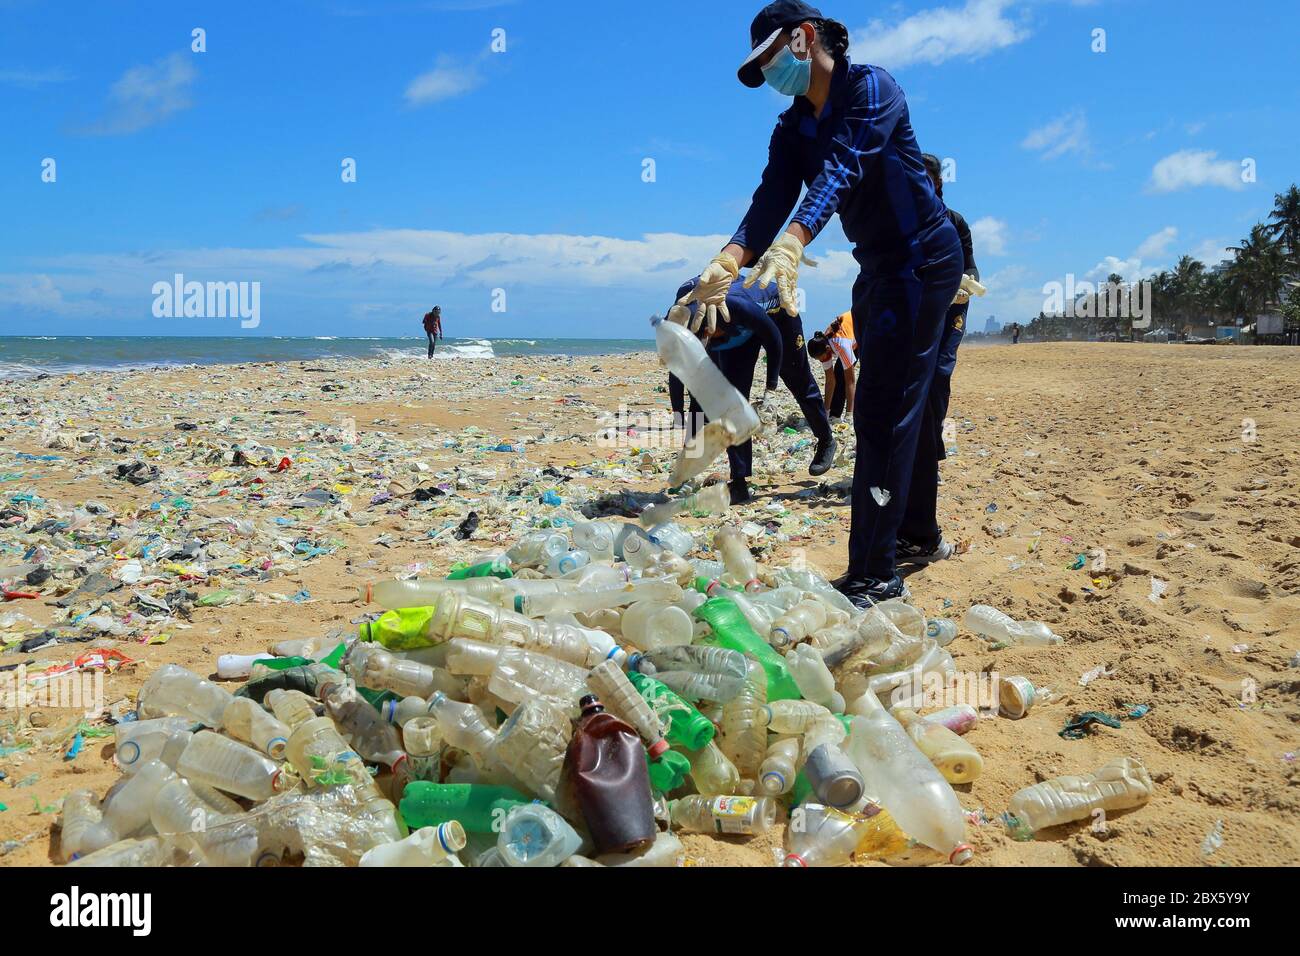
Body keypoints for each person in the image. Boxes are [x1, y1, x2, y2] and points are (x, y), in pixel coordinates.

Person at [680, 1, 963, 607]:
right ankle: (917, 535)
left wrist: (795, 240)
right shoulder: (791, 129)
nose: (771, 76)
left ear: (805, 38)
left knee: (885, 408)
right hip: (880, 268)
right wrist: (728, 259)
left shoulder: (874, 89)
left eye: (773, 57)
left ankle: (873, 575)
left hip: (925, 259)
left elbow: (845, 167)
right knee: (905, 403)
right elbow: (771, 196)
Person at [669, 275, 836, 504]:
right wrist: (682, 423)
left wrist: (771, 389)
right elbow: (680, 379)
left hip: (776, 317)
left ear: (712, 323)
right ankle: (739, 483)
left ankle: (826, 439)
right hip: (737, 335)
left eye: (708, 336)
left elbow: (774, 341)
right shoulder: (684, 323)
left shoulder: (738, 306)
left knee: (798, 378)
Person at [806, 312, 857, 420]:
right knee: (838, 375)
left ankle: (850, 413)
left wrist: (849, 415)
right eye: (818, 359)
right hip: (846, 335)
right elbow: (830, 381)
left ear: (828, 349)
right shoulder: (822, 348)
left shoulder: (841, 345)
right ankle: (833, 415)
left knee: (842, 374)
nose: (821, 360)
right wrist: (825, 411)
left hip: (862, 332)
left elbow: (851, 381)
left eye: (821, 357)